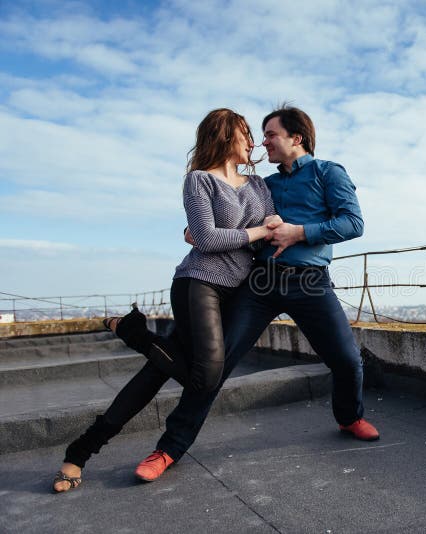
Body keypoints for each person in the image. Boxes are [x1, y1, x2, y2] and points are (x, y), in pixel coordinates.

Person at [133, 105, 380, 483]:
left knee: (347, 359)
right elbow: (224, 217)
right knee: (215, 367)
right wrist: (193, 230)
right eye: (259, 135)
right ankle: (168, 449)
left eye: (270, 135)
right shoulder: (263, 183)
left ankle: (350, 417)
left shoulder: (329, 172)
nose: (262, 142)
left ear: (295, 138)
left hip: (310, 281)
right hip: (260, 281)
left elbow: (353, 223)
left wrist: (299, 232)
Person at [52, 108, 279, 492]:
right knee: (207, 375)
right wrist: (254, 232)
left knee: (158, 370)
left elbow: (271, 233)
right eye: (245, 133)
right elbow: (208, 240)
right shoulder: (199, 181)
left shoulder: (258, 186)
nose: (252, 141)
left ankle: (79, 452)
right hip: (199, 283)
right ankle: (137, 336)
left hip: (239, 290)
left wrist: (254, 234)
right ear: (224, 135)